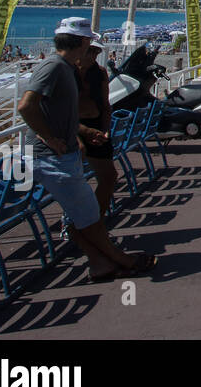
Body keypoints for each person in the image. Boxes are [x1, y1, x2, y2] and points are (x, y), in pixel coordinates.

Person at [18, 17, 156, 282]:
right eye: (89, 43)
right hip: (51, 156)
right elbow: (26, 106)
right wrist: (49, 138)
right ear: (82, 42)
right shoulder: (54, 67)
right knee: (88, 215)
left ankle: (99, 264)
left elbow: (58, 111)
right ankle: (121, 259)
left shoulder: (64, 67)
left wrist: (79, 134)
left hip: (62, 151)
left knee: (82, 214)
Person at [76, 39, 118, 218]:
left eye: (96, 52)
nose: (93, 55)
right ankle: (77, 220)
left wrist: (105, 130)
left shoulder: (99, 73)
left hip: (96, 126)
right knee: (75, 180)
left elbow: (106, 106)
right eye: (90, 51)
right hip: (72, 128)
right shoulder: (66, 72)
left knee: (109, 177)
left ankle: (96, 217)